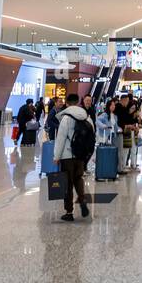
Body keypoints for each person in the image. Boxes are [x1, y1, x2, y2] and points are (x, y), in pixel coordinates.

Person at [52, 93, 91, 222]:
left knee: (67, 183)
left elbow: (61, 138)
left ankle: (69, 212)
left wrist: (56, 156)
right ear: (78, 102)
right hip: (80, 154)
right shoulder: (85, 116)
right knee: (78, 178)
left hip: (67, 156)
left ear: (67, 104)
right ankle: (82, 199)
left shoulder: (66, 118)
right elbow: (91, 134)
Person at [115, 92, 141, 172]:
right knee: (125, 149)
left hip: (129, 131)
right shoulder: (120, 109)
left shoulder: (125, 110)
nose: (132, 109)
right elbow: (121, 122)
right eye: (126, 101)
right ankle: (123, 166)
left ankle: (131, 165)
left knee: (133, 148)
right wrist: (130, 126)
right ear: (122, 100)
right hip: (124, 132)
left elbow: (130, 120)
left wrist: (136, 123)